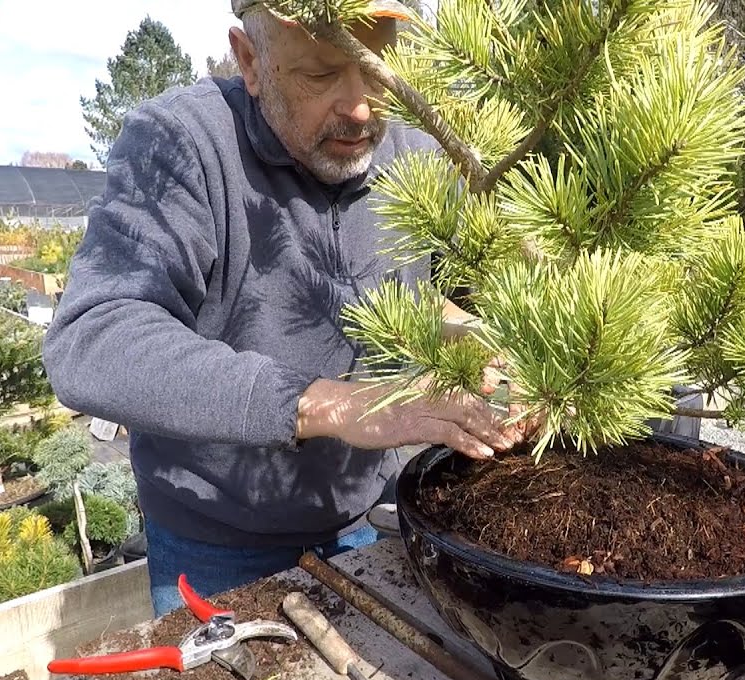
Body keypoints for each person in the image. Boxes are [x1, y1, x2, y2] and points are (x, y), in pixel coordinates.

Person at [41, 0, 522, 616]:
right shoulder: (180, 145)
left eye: (380, 71)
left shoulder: (417, 152)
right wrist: (331, 404)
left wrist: (500, 357)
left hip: (368, 514)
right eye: (320, 75)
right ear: (250, 60)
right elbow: (92, 339)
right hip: (217, 543)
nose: (361, 108)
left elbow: (463, 295)